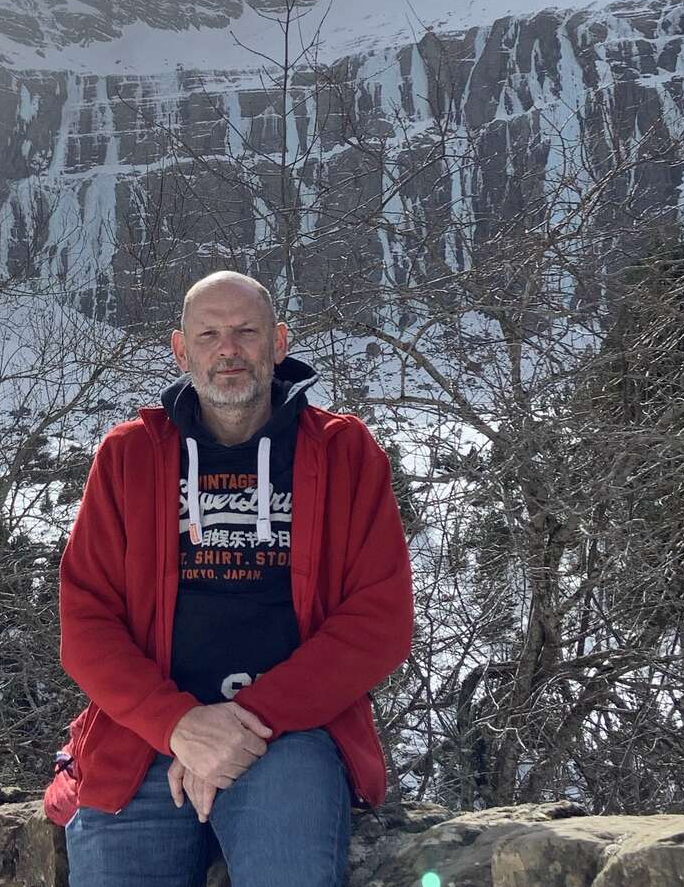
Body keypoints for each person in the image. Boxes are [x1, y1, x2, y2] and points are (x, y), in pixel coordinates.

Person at [45, 270, 413, 887]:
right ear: (181, 350)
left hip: (287, 735)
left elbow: (379, 622)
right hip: (144, 738)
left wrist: (244, 722)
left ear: (279, 342)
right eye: (209, 334)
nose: (229, 349)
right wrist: (180, 725)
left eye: (246, 331)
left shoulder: (345, 452)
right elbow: (86, 623)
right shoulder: (130, 455)